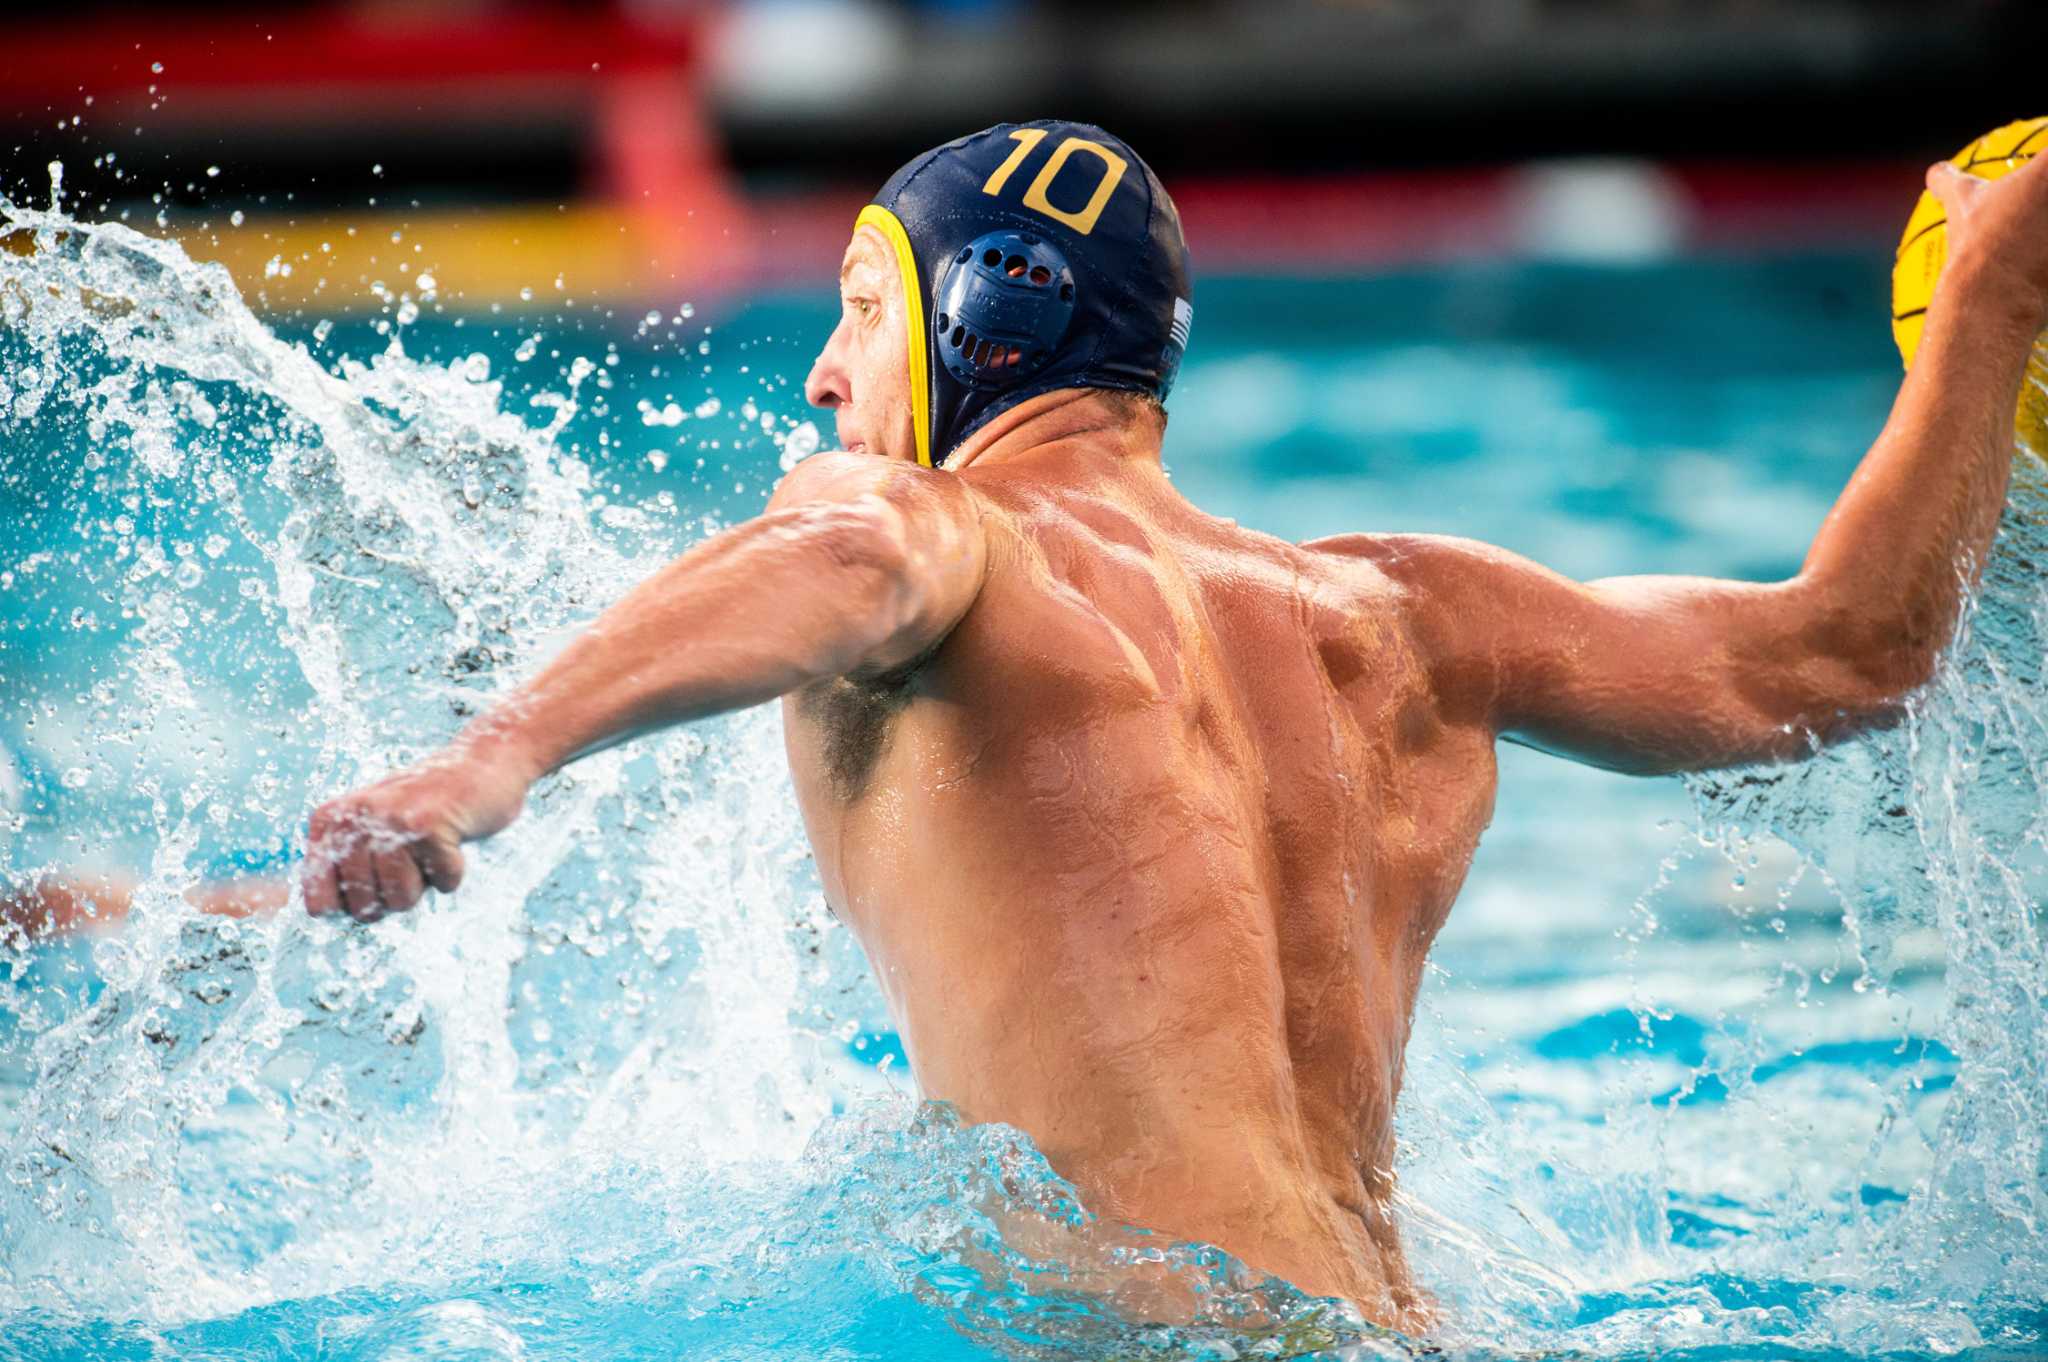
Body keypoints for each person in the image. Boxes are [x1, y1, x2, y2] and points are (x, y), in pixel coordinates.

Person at [267, 122, 2048, 1329]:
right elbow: (1844, 657)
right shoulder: (1412, 618)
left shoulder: (948, 544)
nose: (824, 375)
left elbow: (841, 543)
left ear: (985, 318)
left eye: (862, 313)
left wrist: (485, 755)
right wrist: (1994, 304)